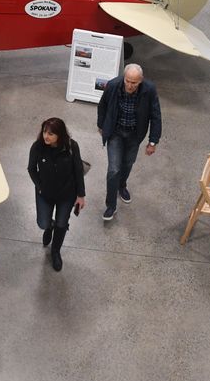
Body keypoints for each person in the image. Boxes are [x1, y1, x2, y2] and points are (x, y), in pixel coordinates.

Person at [96, 63, 162, 220]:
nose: (130, 85)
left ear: (141, 80)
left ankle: (122, 185)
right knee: (113, 169)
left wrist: (153, 141)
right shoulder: (113, 85)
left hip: (134, 134)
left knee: (127, 164)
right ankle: (111, 206)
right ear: (124, 77)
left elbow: (156, 116)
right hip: (115, 133)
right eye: (128, 81)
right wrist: (101, 125)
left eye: (134, 82)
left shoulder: (149, 90)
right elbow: (102, 105)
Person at [26, 117, 86, 271]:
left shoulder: (72, 146)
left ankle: (55, 251)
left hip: (67, 194)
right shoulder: (37, 147)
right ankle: (49, 227)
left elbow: (78, 171)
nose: (46, 136)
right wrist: (40, 186)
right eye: (45, 132)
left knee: (62, 224)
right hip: (44, 193)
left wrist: (81, 195)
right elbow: (31, 169)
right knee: (43, 223)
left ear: (60, 135)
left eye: (51, 133)